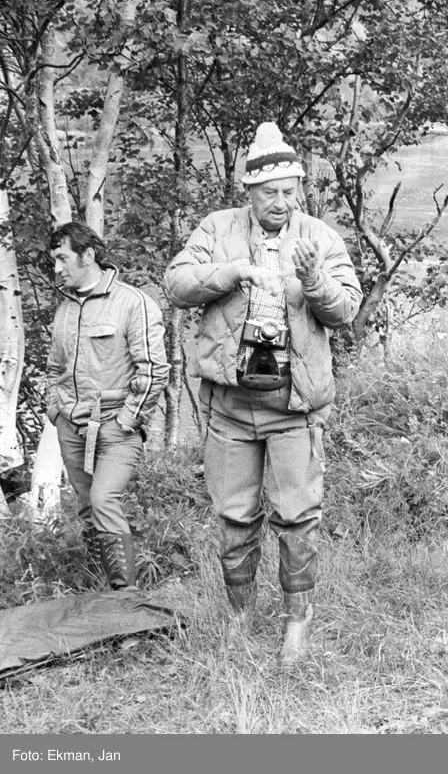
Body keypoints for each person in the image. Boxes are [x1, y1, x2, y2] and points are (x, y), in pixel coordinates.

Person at [164, 122, 362, 665]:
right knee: (234, 515)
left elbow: (345, 311)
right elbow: (176, 284)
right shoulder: (217, 228)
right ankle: (239, 615)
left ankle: (297, 620)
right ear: (248, 192)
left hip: (294, 407)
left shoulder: (320, 237)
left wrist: (315, 281)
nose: (280, 201)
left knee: (297, 515)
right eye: (269, 192)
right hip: (230, 405)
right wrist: (231, 272)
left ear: (299, 187)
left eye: (289, 190)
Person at [45, 221, 167, 590]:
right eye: (54, 260)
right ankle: (102, 589)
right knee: (86, 509)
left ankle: (125, 596)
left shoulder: (133, 303)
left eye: (63, 258)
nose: (57, 268)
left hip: (115, 430)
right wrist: (56, 410)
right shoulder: (65, 308)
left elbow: (154, 371)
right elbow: (53, 368)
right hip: (72, 428)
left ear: (89, 255)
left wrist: (126, 421)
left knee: (103, 499)